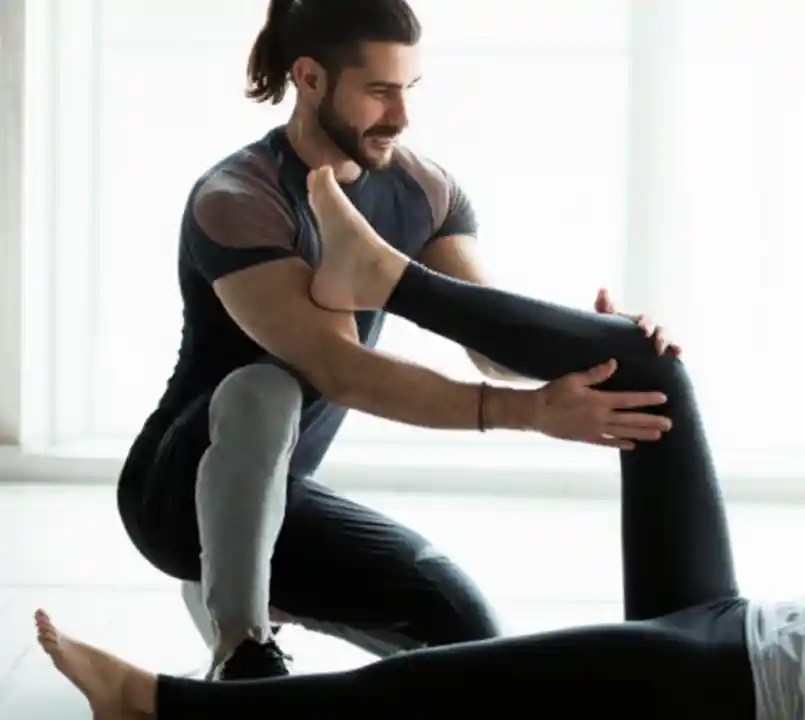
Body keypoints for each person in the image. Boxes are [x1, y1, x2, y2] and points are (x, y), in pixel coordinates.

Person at [38, 161, 805, 719]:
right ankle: (387, 274)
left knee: (460, 688)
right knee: (646, 365)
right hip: (734, 626)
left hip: (734, 694)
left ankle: (160, 709)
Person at [115, 0, 680, 682]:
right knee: (262, 387)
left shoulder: (423, 188)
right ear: (311, 78)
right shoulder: (239, 197)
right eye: (380, 91)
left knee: (467, 639)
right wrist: (528, 414)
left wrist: (595, 339)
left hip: (281, 492)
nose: (402, 115)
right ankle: (242, 648)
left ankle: (248, 582)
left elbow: (488, 335)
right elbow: (340, 368)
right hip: (174, 495)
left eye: (409, 89)